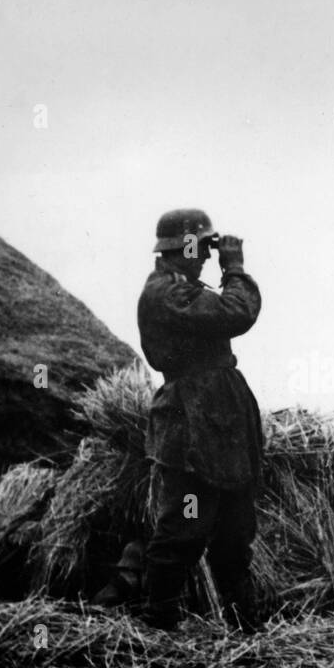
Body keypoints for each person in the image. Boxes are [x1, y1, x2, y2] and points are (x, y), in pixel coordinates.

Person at [135, 208, 265, 631]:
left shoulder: (183, 289)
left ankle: (244, 627)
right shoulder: (167, 294)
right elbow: (236, 313)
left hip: (220, 421)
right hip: (192, 427)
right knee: (187, 525)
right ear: (181, 247)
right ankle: (160, 620)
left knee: (233, 531)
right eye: (200, 247)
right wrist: (236, 268)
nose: (206, 256)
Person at [90, 539, 147, 609]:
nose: (146, 578)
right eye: (144, 573)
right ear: (132, 571)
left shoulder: (120, 592)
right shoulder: (111, 598)